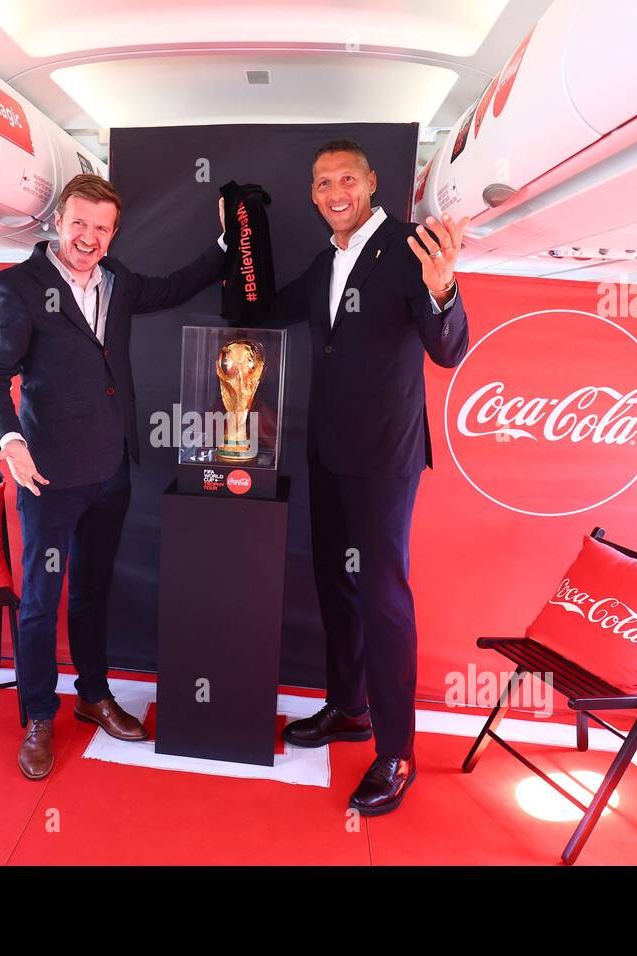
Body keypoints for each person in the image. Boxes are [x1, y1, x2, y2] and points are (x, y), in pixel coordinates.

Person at [226, 139, 471, 815]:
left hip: (384, 459)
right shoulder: (325, 260)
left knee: (383, 598)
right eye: (323, 183)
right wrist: (236, 238)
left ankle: (396, 752)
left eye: (346, 180)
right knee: (335, 584)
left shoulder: (414, 247)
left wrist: (445, 289)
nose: (335, 192)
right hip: (327, 453)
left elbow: (449, 350)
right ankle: (348, 707)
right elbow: (262, 308)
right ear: (313, 195)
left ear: (370, 184)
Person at [0, 174, 225, 780]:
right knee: (40, 602)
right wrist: (11, 443)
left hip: (111, 469)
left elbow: (176, 286)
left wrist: (230, 242)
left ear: (114, 233)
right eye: (80, 224)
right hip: (48, 476)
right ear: (58, 223)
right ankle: (38, 715)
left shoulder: (120, 281)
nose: (89, 237)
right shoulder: (16, 287)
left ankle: (92, 694)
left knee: (93, 591)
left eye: (102, 228)